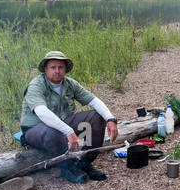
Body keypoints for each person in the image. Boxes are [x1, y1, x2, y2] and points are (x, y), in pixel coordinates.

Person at [20, 50, 118, 183]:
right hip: (35, 129)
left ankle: (84, 161)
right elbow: (42, 112)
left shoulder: (70, 84)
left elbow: (93, 101)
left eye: (60, 67)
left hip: (62, 124)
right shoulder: (36, 85)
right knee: (52, 131)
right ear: (45, 69)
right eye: (53, 67)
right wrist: (68, 131)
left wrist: (110, 119)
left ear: (65, 69)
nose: (57, 71)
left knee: (96, 117)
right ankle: (67, 168)